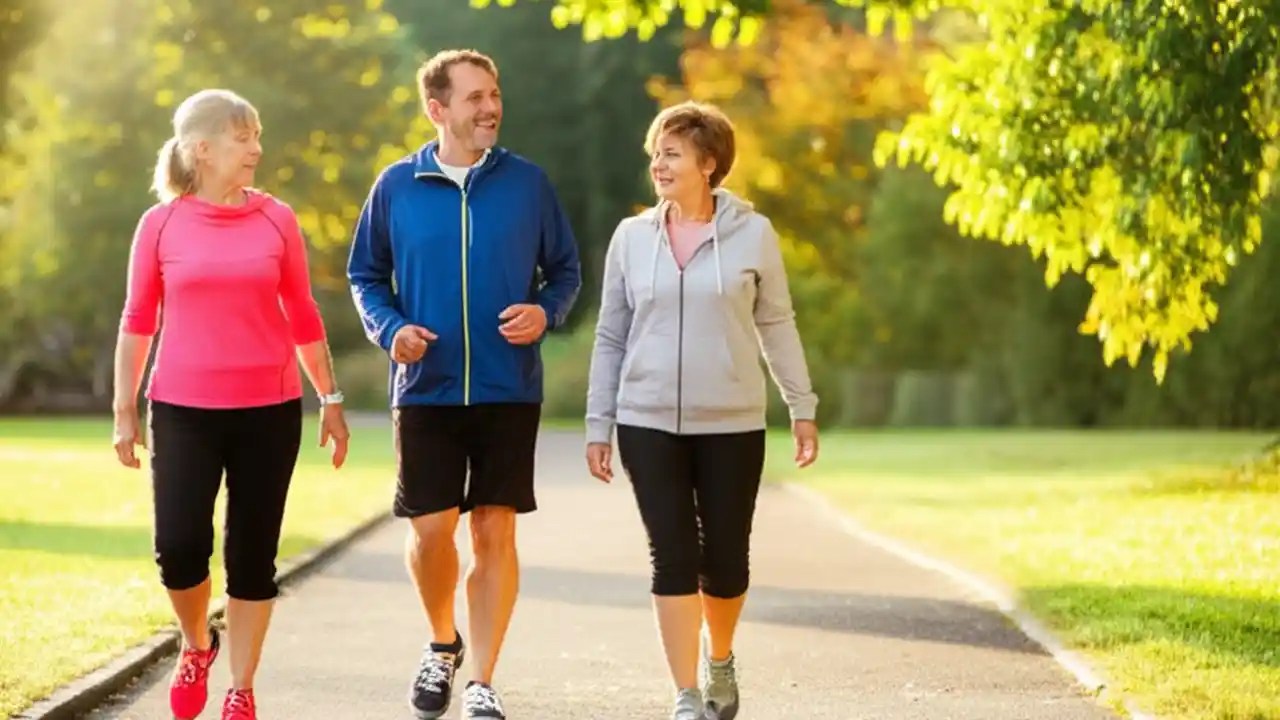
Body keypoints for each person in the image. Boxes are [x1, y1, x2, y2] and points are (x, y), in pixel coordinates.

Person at [346, 48, 581, 720]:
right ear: (437, 108)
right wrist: (390, 329)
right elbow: (366, 276)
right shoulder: (396, 185)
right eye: (475, 97)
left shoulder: (527, 184)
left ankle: (482, 679)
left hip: (509, 387)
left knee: (494, 532)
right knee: (430, 531)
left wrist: (546, 312)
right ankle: (441, 641)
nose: (491, 107)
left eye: (494, 94)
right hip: (426, 386)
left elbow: (565, 271)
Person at [111, 89, 350, 720]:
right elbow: (138, 319)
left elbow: (303, 313)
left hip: (269, 411)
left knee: (252, 555)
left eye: (257, 136)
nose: (256, 149)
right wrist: (123, 410)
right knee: (179, 549)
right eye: (243, 138)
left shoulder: (277, 219)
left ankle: (242, 688)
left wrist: (329, 396)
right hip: (182, 410)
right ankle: (197, 643)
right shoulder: (160, 224)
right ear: (202, 149)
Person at [584, 100, 820, 720]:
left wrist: (801, 404)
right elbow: (611, 334)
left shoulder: (754, 234)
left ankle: (720, 657)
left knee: (726, 560)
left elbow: (777, 323)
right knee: (672, 554)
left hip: (732, 423)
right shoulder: (631, 238)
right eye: (655, 154)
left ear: (708, 163)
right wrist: (598, 423)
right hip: (646, 420)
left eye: (672, 154)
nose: (658, 165)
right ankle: (685, 692)